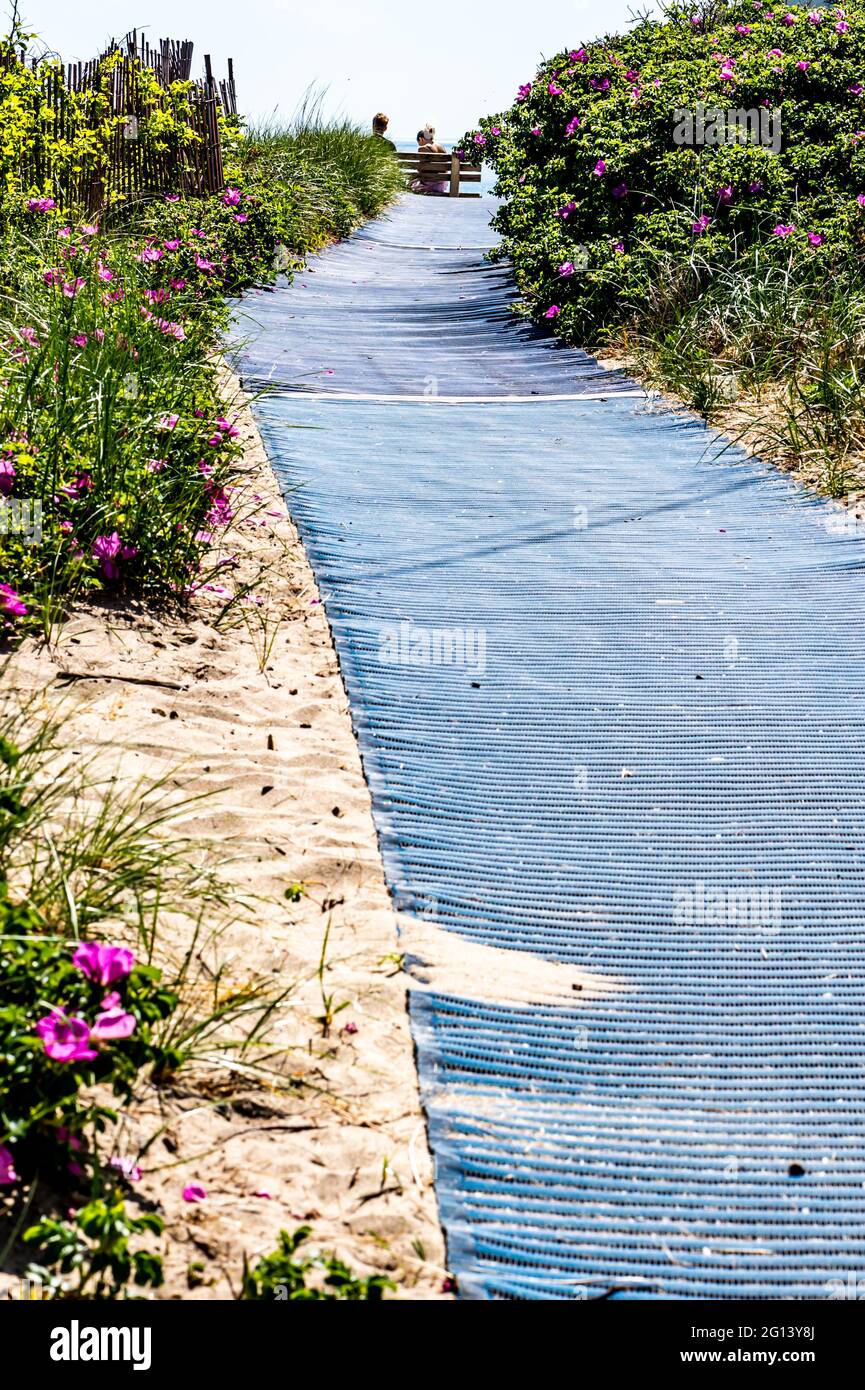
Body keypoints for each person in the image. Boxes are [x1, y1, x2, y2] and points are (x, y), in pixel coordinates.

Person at [411, 125, 448, 195]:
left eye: (419, 143)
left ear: (421, 139)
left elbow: (421, 169)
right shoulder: (441, 147)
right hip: (441, 184)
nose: (420, 145)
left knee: (410, 184)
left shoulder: (422, 148)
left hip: (429, 184)